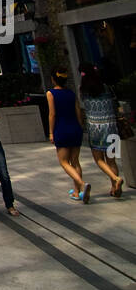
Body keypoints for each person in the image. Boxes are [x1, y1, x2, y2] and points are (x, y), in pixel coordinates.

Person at [79, 64, 124, 198]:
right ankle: (114, 187)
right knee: (112, 160)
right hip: (112, 126)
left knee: (99, 159)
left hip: (95, 128)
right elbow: (116, 105)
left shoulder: (83, 90)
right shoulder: (107, 87)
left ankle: (115, 180)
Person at [47, 70, 89, 202]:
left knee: (64, 162)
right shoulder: (71, 93)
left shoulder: (51, 93)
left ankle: (81, 184)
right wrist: (80, 125)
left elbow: (52, 114)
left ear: (53, 79)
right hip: (75, 128)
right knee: (75, 161)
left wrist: (51, 132)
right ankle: (76, 192)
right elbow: (78, 111)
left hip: (62, 128)